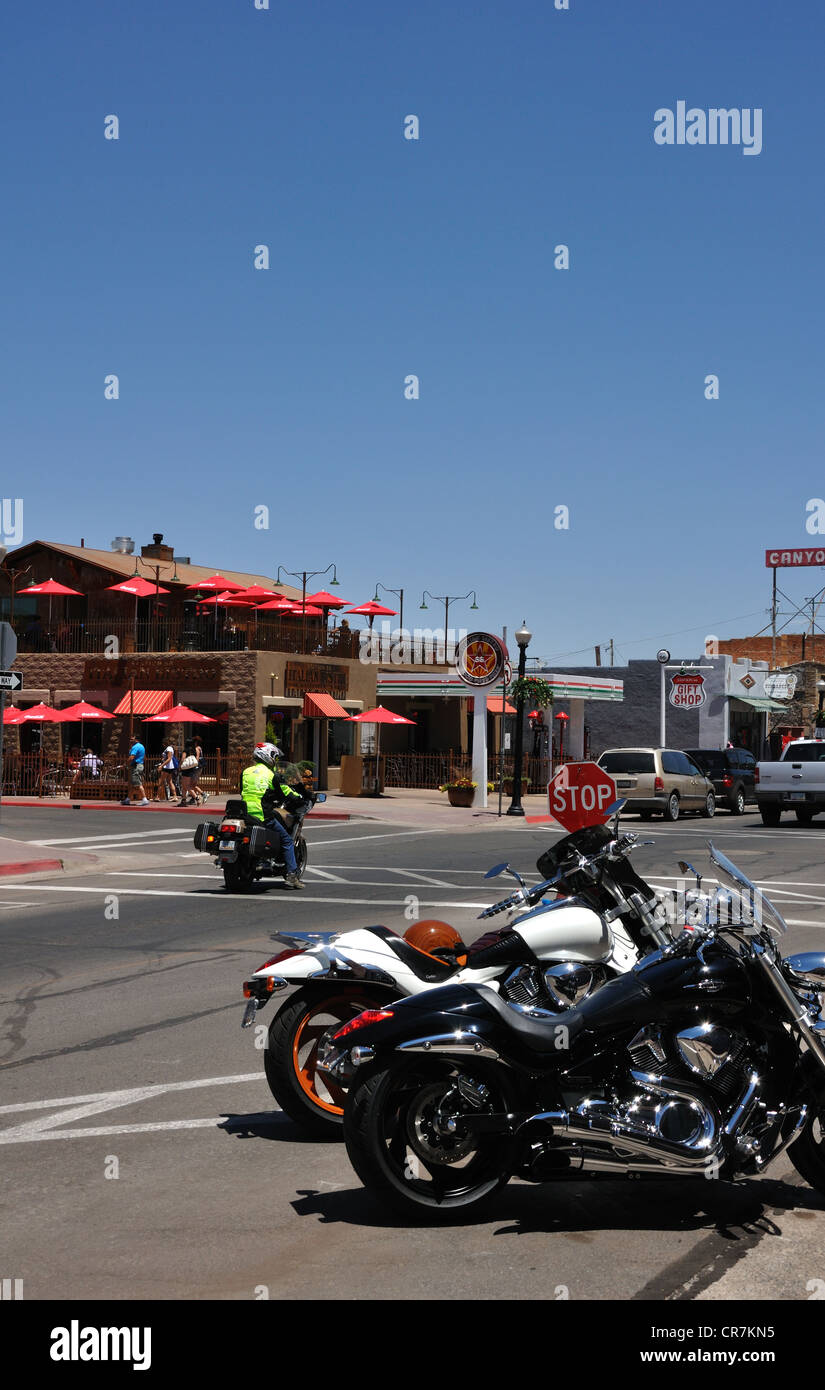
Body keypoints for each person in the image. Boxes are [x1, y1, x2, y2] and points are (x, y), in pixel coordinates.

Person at [240, 742, 305, 889]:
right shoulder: (272, 775)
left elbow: (243, 791)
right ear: (268, 756)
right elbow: (287, 792)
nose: (275, 760)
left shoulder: (245, 772)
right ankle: (291, 876)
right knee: (287, 841)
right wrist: (300, 797)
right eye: (274, 757)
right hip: (262, 816)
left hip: (244, 815)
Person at [122, 734, 149, 806]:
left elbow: (131, 757)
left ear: (136, 740)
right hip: (139, 765)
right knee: (133, 784)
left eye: (132, 739)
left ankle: (144, 799)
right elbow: (144, 757)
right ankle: (127, 799)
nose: (130, 740)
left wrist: (125, 764)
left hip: (136, 766)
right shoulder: (142, 746)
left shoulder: (135, 747)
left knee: (138, 784)